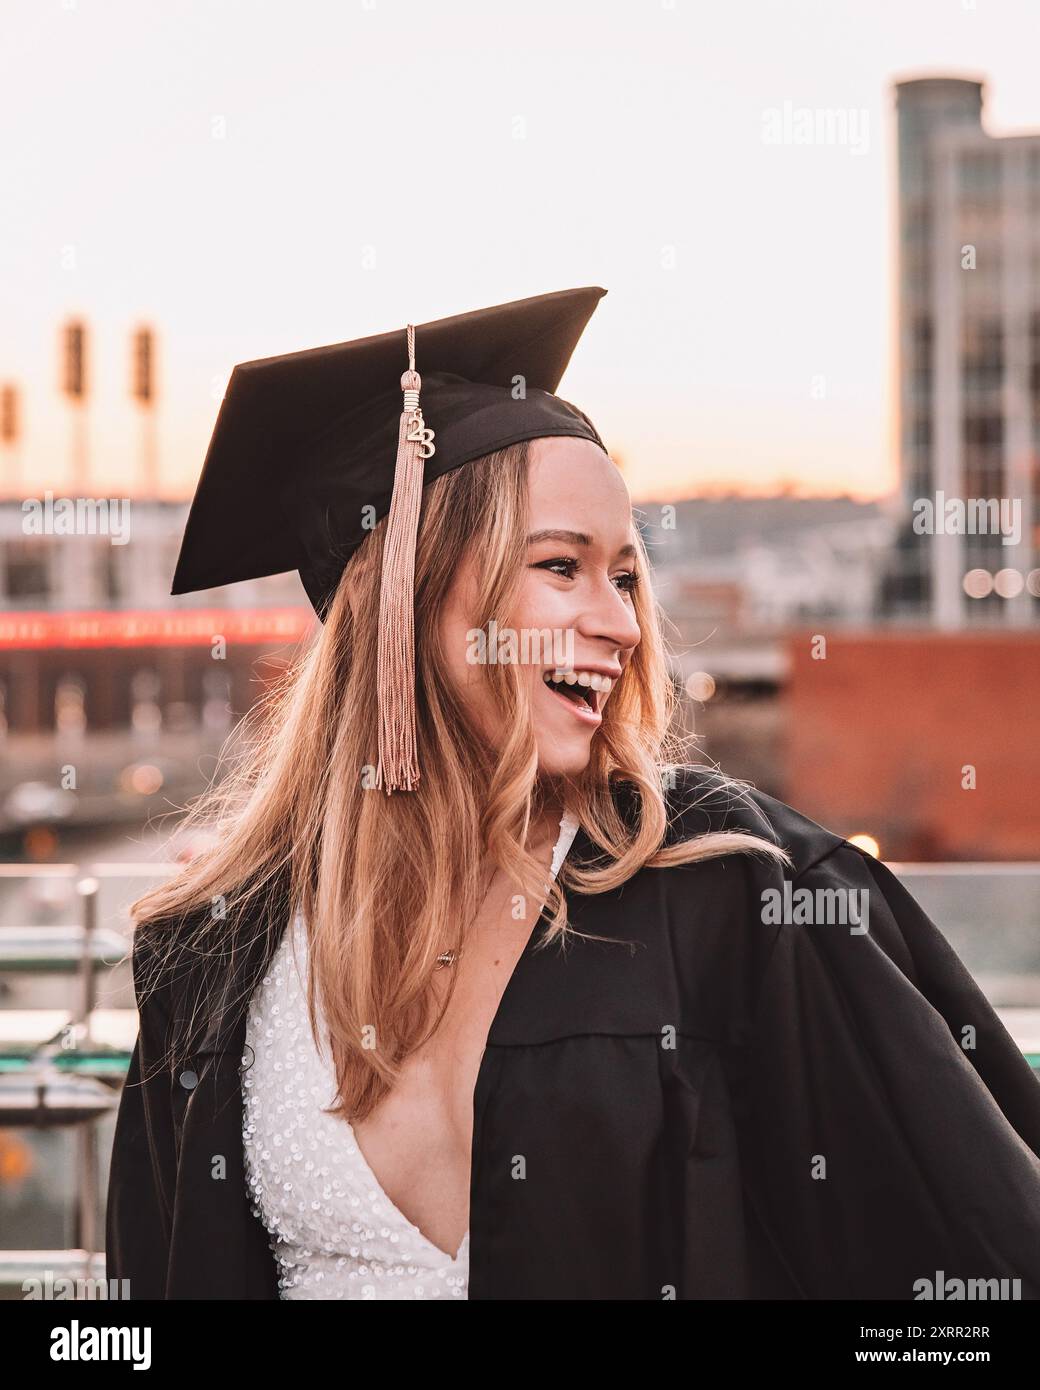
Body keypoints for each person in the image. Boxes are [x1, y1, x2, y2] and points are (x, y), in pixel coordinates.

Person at [105, 287, 1040, 1300]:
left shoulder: (735, 890)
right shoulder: (217, 955)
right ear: (407, 602)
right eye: (564, 567)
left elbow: (973, 1257)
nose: (622, 626)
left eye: (627, 578)